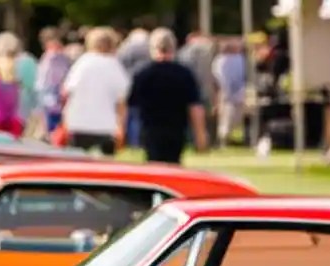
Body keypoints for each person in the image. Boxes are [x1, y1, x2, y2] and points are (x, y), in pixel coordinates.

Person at [128, 28, 207, 163]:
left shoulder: (143, 73)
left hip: (151, 129)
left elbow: (131, 104)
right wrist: (200, 135)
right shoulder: (184, 73)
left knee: (154, 165)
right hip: (176, 130)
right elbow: (195, 107)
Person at [61, 27, 130, 155]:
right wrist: (121, 125)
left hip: (78, 123)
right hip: (106, 125)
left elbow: (67, 92)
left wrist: (65, 119)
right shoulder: (114, 66)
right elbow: (121, 100)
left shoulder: (82, 63)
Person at [177, 30, 217, 144]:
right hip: (205, 90)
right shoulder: (207, 52)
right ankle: (206, 140)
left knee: (191, 118)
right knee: (205, 118)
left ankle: (192, 140)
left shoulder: (184, 53)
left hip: (190, 90)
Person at [34, 26, 71, 136]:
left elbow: (43, 82)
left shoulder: (51, 57)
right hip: (57, 99)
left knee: (52, 130)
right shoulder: (63, 57)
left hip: (50, 99)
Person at [212, 38, 247, 145]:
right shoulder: (223, 60)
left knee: (231, 116)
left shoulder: (223, 60)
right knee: (227, 116)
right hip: (230, 93)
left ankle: (227, 137)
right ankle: (224, 138)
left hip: (232, 92)